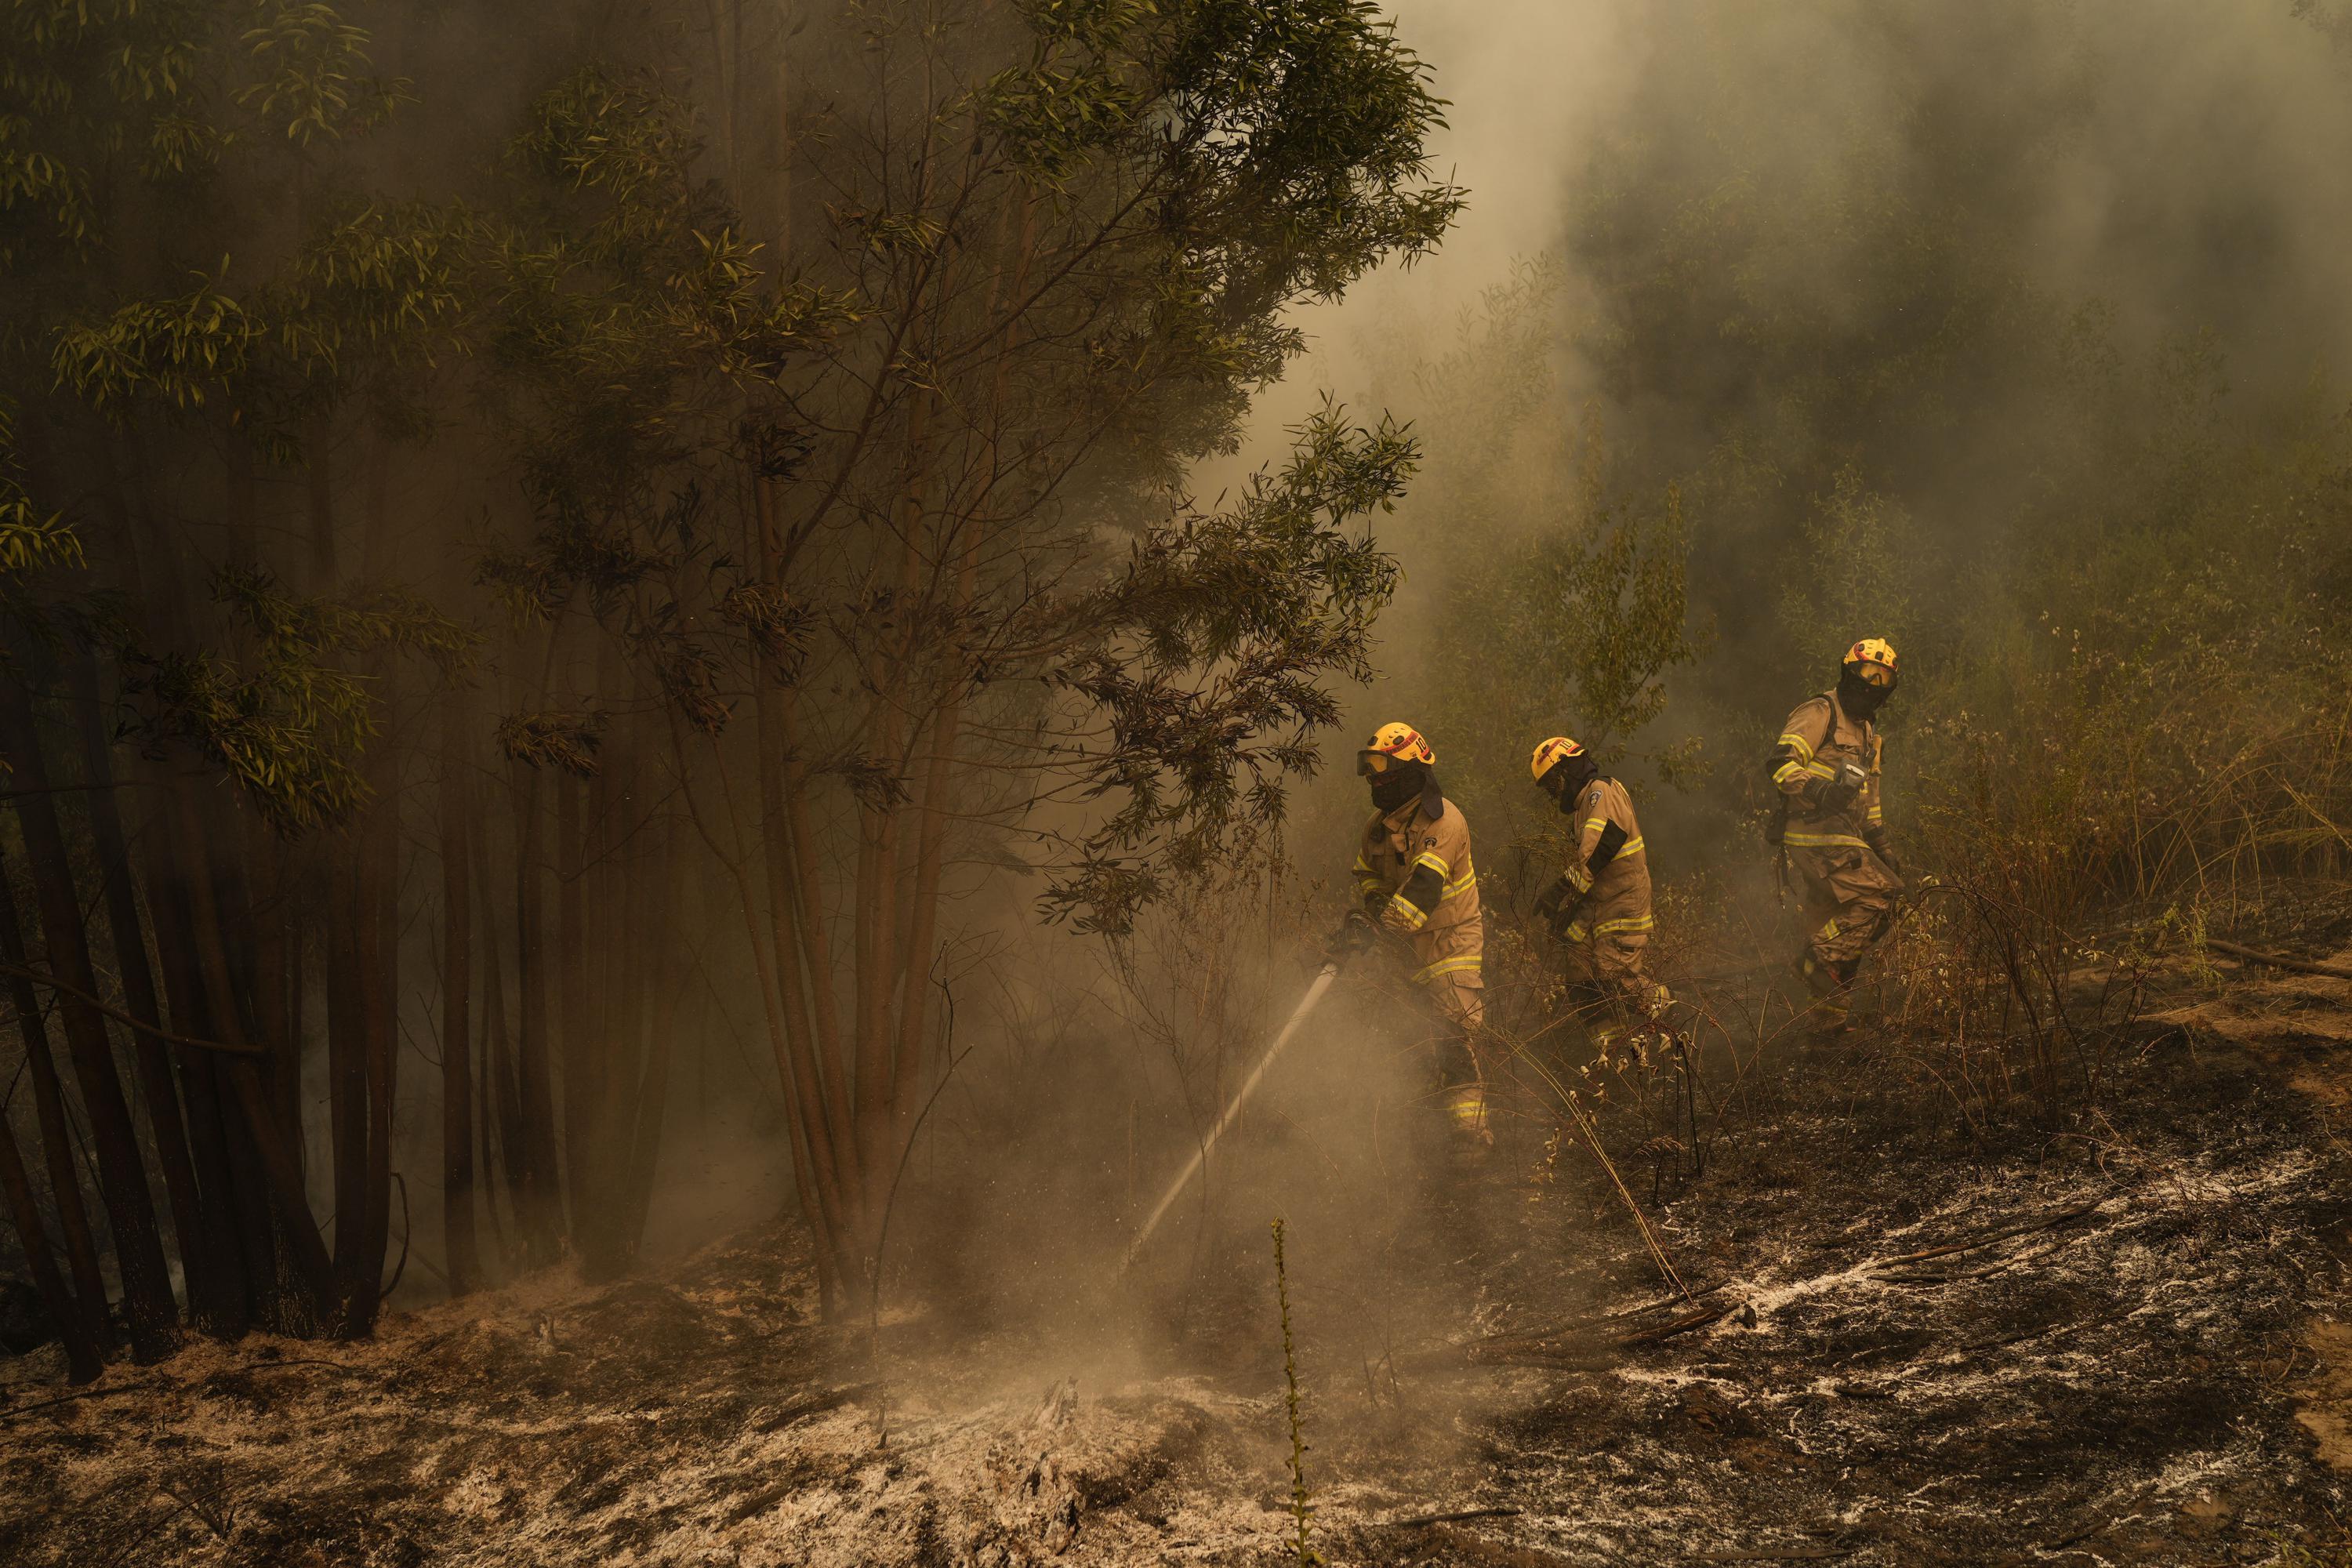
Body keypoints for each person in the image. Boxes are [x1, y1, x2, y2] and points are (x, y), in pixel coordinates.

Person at [1333, 722, 1489, 1148]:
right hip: (1405, 950)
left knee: (1456, 1038)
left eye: (1384, 772)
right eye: (1372, 773)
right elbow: (1368, 876)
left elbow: (1423, 888)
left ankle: (1470, 1137)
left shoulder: (1444, 821)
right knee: (1417, 1042)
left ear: (1411, 771)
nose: (1376, 781)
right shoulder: (1377, 828)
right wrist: (1370, 914)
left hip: (1450, 944)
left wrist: (1378, 932)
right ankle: (1426, 1140)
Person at [1768, 637, 1905, 1028]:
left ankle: (1829, 1023)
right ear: (1849, 672)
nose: (1873, 684)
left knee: (1842, 923)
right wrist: (1818, 790)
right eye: (1867, 674)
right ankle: (1813, 959)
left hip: (1843, 834)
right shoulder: (1820, 711)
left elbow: (1871, 801)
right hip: (1812, 829)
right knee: (1882, 897)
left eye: (1883, 678)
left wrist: (1882, 845)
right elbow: (1779, 764)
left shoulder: (1869, 735)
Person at [1529, 736, 1668, 1054]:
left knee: (1615, 980)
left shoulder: (1600, 792)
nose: (1554, 790)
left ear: (1567, 769)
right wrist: (1566, 919)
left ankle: (1661, 1001)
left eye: (1553, 781)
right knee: (1578, 975)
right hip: (1597, 904)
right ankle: (1611, 1051)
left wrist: (1559, 891)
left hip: (1623, 901)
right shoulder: (1583, 809)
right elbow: (1588, 866)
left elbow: (1597, 854)